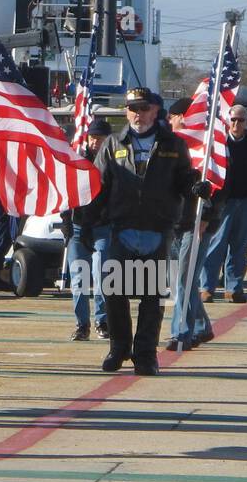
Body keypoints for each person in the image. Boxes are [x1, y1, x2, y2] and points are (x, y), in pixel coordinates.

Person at [91, 87, 208, 375]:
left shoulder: (173, 144)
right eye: (132, 108)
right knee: (114, 292)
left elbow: (184, 179)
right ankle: (119, 348)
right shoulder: (113, 144)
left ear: (156, 111)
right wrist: (85, 223)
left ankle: (145, 355)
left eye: (144, 108)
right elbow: (98, 185)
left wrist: (195, 187)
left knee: (151, 297)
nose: (138, 114)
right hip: (122, 228)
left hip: (157, 228)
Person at [198, 106, 247, 304]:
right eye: (233, 120)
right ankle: (207, 287)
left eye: (240, 120)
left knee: (240, 247)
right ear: (227, 121)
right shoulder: (219, 143)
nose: (236, 124)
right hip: (223, 202)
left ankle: (234, 288)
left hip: (246, 200)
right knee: (216, 245)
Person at [166, 97, 214, 350]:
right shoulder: (165, 146)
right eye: (180, 115)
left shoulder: (207, 146)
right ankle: (202, 326)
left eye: (190, 114)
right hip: (170, 223)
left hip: (195, 223)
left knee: (184, 279)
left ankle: (181, 332)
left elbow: (220, 185)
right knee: (179, 281)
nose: (185, 120)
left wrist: (206, 215)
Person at [62, 117, 110, 341]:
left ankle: (103, 320)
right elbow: (65, 194)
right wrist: (66, 225)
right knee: (79, 278)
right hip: (78, 228)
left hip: (103, 227)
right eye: (92, 138)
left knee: (102, 275)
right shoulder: (77, 162)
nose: (95, 142)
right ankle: (82, 325)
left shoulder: (114, 164)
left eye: (100, 138)